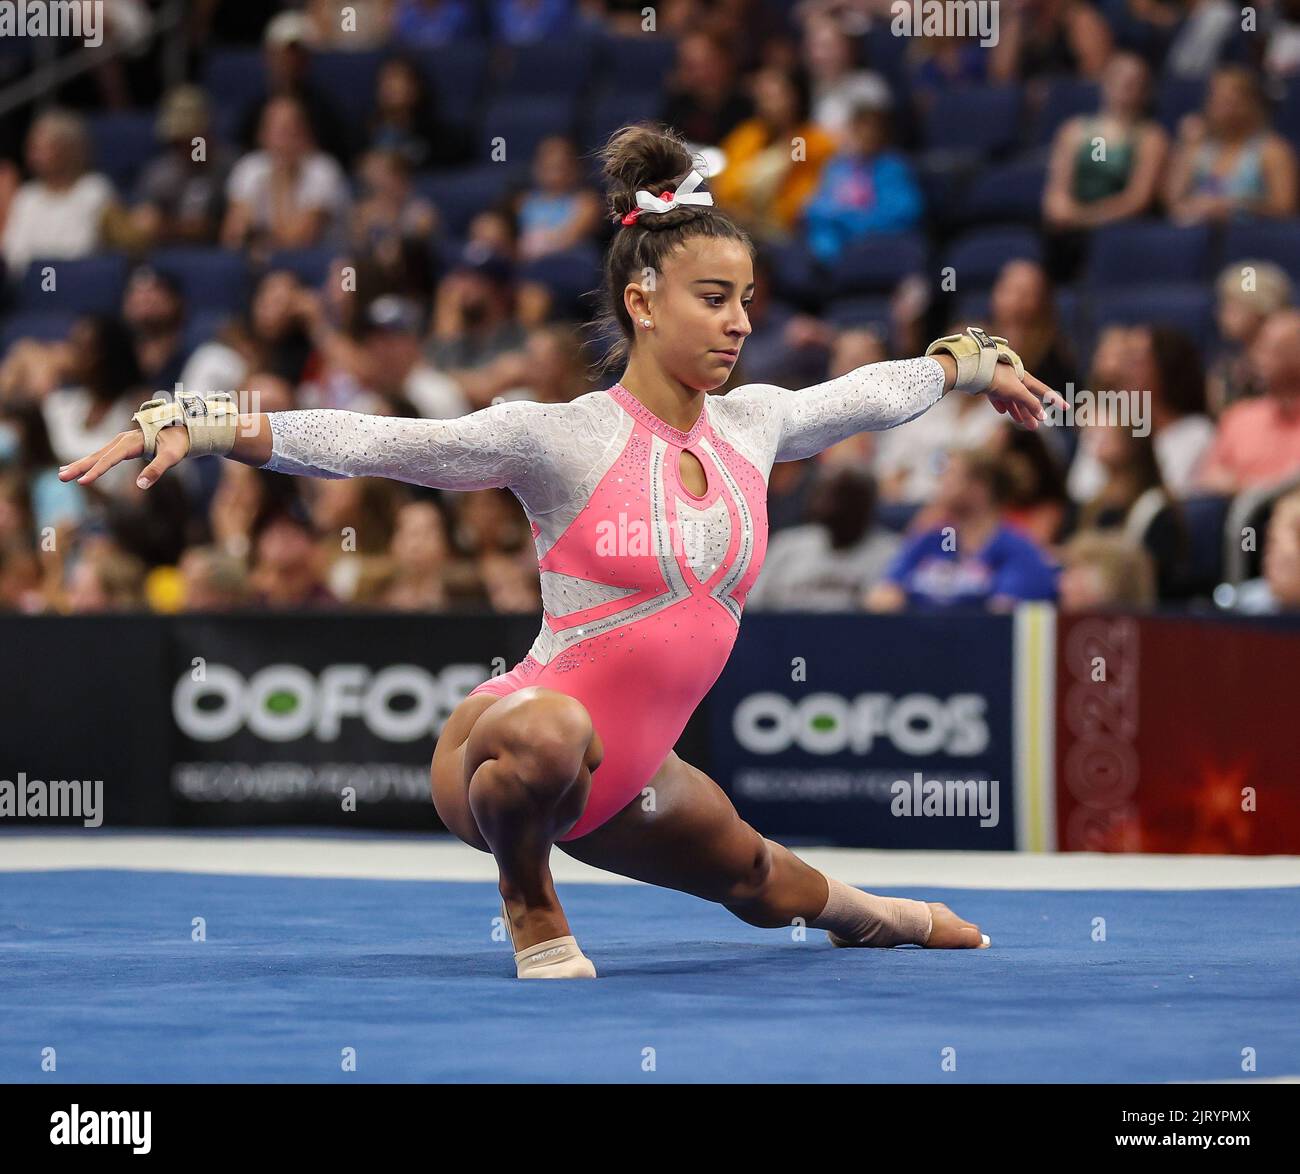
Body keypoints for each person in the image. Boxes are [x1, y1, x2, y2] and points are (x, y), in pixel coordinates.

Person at [60, 122, 1063, 979]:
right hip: (500, 742)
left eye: (747, 298)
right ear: (642, 300)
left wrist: (969, 359)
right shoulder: (564, 437)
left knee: (766, 884)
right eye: (713, 297)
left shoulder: (752, 423)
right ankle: (529, 901)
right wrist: (204, 417)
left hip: (622, 779)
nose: (740, 322)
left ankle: (891, 915)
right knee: (548, 730)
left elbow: (871, 394)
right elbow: (391, 443)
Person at [866, 448, 1061, 612]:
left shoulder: (1017, 549)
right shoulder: (938, 539)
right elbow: (883, 595)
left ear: (979, 488)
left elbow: (1002, 614)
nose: (941, 484)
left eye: (950, 476)